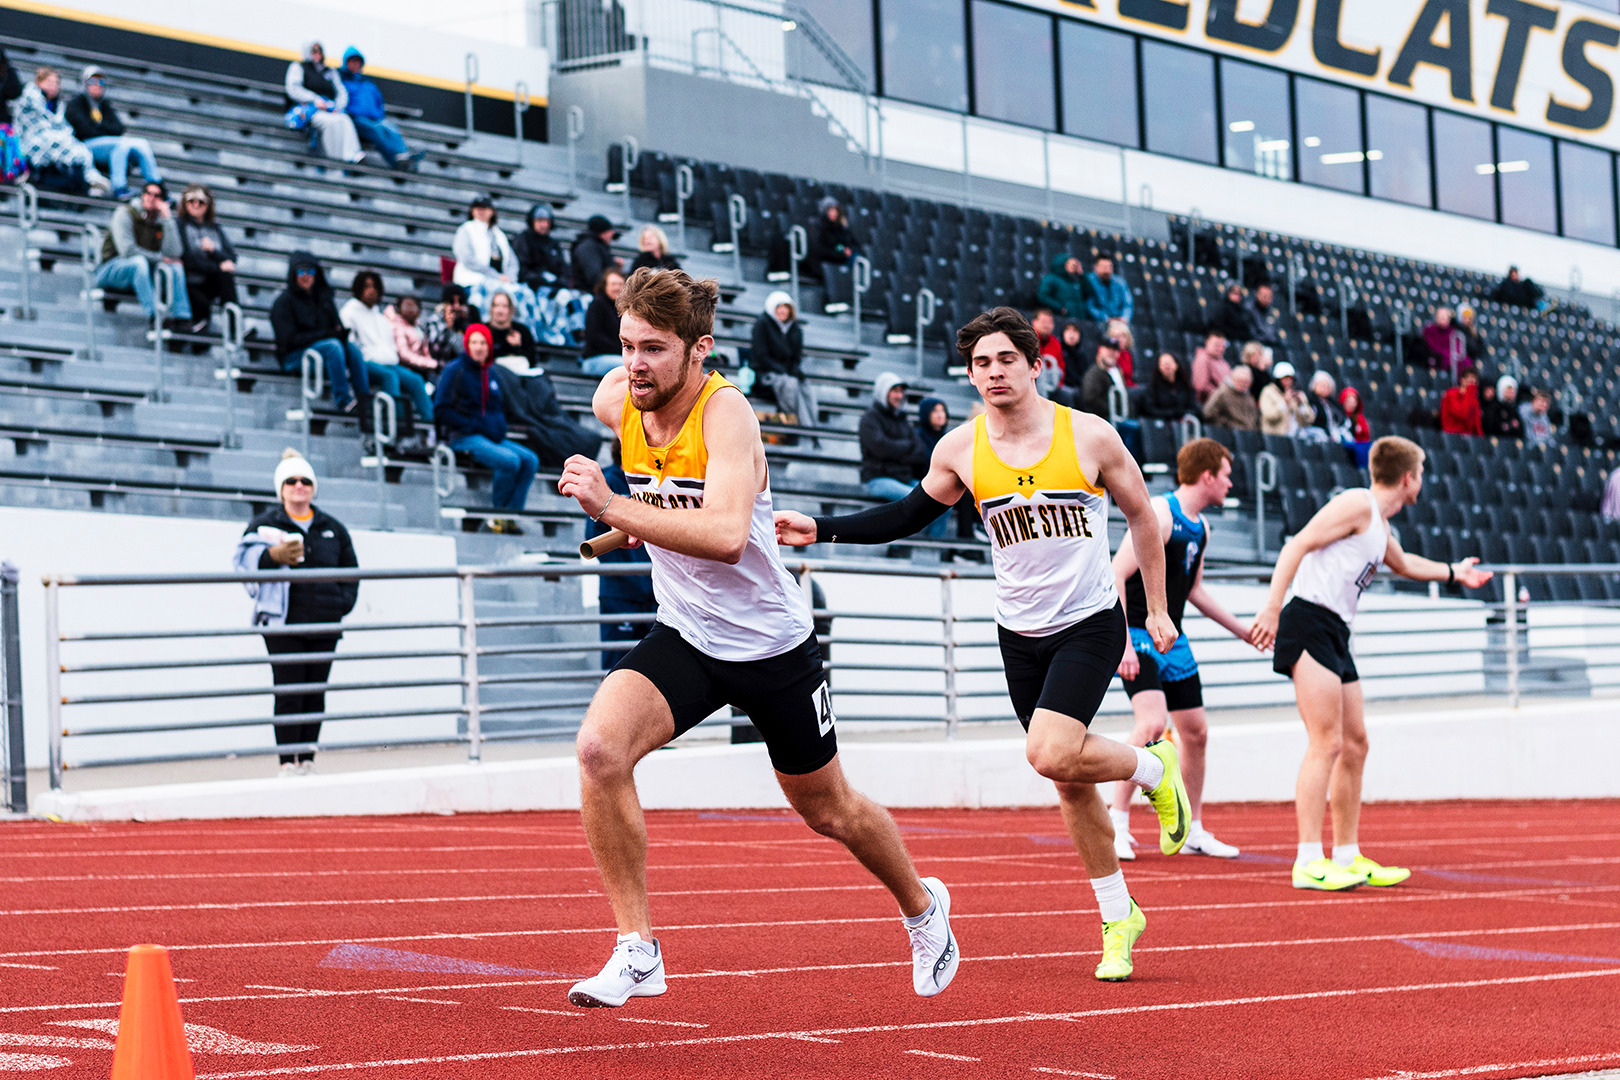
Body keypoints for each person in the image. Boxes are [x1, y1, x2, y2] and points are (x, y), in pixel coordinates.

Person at [555, 267, 959, 1009]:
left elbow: (727, 536)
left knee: (828, 810)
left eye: (653, 349)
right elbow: (657, 502)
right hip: (687, 636)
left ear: (698, 350)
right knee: (597, 750)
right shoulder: (618, 403)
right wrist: (608, 532)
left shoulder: (727, 415)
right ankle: (637, 950)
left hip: (771, 646)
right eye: (626, 346)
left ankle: (924, 907)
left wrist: (612, 503)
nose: (634, 365)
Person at [777, 305, 1192, 983]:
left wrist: (1155, 608)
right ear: (969, 375)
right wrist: (821, 527)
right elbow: (908, 515)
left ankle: (1153, 770)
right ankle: (1120, 917)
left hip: (1088, 622)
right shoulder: (961, 449)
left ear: (1035, 365)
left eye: (1006, 359)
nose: (994, 372)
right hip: (1018, 633)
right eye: (980, 363)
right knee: (1064, 778)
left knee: (1050, 753)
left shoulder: (1088, 436)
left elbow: (1146, 518)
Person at [1250, 436, 1492, 890]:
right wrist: (1271, 607)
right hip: (1308, 620)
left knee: (1355, 742)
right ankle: (1307, 859)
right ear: (1408, 477)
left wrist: (1454, 572)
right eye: (1421, 473)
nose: (1422, 481)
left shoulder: (1378, 525)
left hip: (1336, 631)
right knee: (1325, 742)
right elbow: (1296, 544)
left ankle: (1347, 854)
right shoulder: (1357, 504)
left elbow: (1404, 563)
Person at [1111, 439, 1256, 861]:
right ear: (1208, 475)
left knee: (1197, 732)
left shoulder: (1202, 528)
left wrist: (1241, 631)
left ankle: (1193, 829)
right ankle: (1117, 821)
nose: (1230, 483)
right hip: (1138, 632)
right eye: (1226, 475)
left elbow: (1193, 591)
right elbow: (1116, 575)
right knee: (1151, 725)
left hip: (1174, 638)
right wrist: (1122, 644)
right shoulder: (1159, 514)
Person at [233, 449, 358, 776]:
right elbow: (243, 564)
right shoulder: (264, 525)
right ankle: (287, 762)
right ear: (281, 488)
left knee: (315, 695)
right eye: (291, 481)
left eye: (305, 480)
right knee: (289, 694)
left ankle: (308, 760)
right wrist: (271, 556)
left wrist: (340, 604)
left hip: (325, 624)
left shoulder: (334, 527)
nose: (299, 486)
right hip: (284, 625)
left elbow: (351, 571)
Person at [435, 323, 538, 532]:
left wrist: (497, 427)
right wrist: (471, 424)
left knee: (530, 460)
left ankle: (510, 517)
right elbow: (441, 409)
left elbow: (497, 408)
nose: (479, 347)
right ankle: (498, 516)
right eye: (474, 342)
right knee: (509, 461)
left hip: (491, 436)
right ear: (467, 345)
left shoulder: (491, 373)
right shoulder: (454, 370)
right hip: (463, 435)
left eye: (483, 343)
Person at [340, 270, 434, 447]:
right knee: (390, 377)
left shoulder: (381, 317)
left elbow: (390, 348)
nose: (371, 291)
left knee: (415, 380)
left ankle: (430, 428)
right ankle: (399, 429)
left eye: (374, 287)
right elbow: (351, 346)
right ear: (358, 289)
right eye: (367, 286)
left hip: (388, 363)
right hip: (365, 363)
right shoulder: (349, 312)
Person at [587, 439, 657, 670]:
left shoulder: (653, 484)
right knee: (617, 668)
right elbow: (594, 539)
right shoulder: (606, 484)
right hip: (621, 595)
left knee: (655, 670)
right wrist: (634, 579)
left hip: (655, 595)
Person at [270, 252, 368, 414]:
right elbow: (288, 341)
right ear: (294, 274)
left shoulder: (324, 300)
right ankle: (344, 401)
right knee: (333, 346)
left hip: (324, 352)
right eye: (301, 272)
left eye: (311, 272)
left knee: (353, 349)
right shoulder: (283, 303)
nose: (306, 276)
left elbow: (335, 328)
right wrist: (325, 335)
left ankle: (364, 400)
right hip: (295, 357)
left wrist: (338, 333)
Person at [859, 373, 947, 541]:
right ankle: (899, 547)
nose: (899, 396)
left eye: (901, 392)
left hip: (903, 477)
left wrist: (894, 450)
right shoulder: (870, 418)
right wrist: (905, 448)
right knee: (916, 500)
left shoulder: (903, 420)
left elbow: (920, 451)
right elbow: (880, 448)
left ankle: (930, 545)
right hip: (878, 478)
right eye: (894, 391)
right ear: (883, 392)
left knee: (943, 500)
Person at [96, 180, 194, 326]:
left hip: (143, 272)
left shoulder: (160, 221)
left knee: (175, 268)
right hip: (110, 269)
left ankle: (182, 319)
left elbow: (174, 254)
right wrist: (160, 259)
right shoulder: (125, 213)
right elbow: (127, 251)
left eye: (156, 195)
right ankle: (155, 316)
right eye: (147, 193)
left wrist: (167, 219)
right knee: (138, 263)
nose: (151, 197)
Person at [64, 66, 161, 198]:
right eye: (92, 81)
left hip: (107, 145)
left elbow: (119, 128)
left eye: (101, 82)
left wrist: (99, 127)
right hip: (84, 147)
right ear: (84, 83)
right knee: (121, 145)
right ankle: (119, 187)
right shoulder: (76, 104)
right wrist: (103, 128)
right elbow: (85, 130)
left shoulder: (105, 105)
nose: (97, 85)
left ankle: (157, 186)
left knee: (141, 143)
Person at [15, 67, 110, 194]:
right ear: (39, 82)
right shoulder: (30, 96)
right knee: (61, 144)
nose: (53, 86)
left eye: (56, 83)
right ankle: (87, 181)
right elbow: (38, 124)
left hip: (53, 138)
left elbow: (62, 126)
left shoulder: (57, 104)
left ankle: (89, 181)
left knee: (80, 148)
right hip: (32, 139)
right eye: (49, 82)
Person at [454, 196, 540, 331]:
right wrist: (495, 275)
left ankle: (524, 332)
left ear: (492, 211)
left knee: (524, 293)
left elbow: (512, 261)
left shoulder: (499, 234)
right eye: (477, 208)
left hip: (501, 281)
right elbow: (467, 258)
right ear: (472, 211)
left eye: (485, 208)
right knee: (493, 293)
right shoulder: (466, 229)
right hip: (475, 280)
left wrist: (510, 277)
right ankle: (487, 332)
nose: (481, 211)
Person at [339, 47, 421, 169]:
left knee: (391, 128)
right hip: (356, 119)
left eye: (358, 61)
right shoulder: (341, 81)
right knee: (377, 131)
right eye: (352, 61)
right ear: (346, 63)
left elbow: (378, 101)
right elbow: (341, 100)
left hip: (374, 118)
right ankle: (396, 161)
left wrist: (378, 114)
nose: (355, 64)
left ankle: (403, 155)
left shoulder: (368, 83)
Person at [284, 42, 364, 164]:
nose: (317, 54)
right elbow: (293, 89)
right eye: (314, 51)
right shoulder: (298, 67)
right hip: (310, 110)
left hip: (329, 109)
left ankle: (353, 154)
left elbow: (342, 92)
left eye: (319, 51)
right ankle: (334, 159)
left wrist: (337, 106)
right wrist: (314, 100)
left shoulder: (330, 72)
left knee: (344, 119)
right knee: (330, 122)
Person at [751, 290, 818, 428]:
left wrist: (793, 370)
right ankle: (803, 426)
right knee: (790, 385)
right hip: (765, 373)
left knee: (805, 388)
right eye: (779, 307)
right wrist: (782, 370)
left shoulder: (796, 330)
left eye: (786, 307)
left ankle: (812, 425)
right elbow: (761, 355)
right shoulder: (762, 325)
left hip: (787, 374)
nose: (782, 311)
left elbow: (796, 357)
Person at [175, 184, 237, 331]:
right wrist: (217, 266)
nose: (196, 205)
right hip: (188, 282)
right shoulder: (179, 225)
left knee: (226, 276)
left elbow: (232, 257)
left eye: (201, 202)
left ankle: (235, 323)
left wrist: (213, 251)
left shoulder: (215, 228)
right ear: (185, 203)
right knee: (202, 307)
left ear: (208, 205)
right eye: (191, 201)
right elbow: (185, 258)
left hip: (209, 281)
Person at [581, 269, 627, 375]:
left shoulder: (624, 308)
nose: (617, 288)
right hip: (594, 359)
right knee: (629, 368)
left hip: (616, 356)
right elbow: (593, 336)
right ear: (605, 286)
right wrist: (621, 349)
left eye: (620, 284)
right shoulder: (597, 304)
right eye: (613, 284)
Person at [386, 295, 439, 378]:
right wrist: (431, 364)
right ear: (399, 308)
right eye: (407, 306)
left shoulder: (417, 327)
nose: (410, 310)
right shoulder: (398, 327)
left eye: (413, 306)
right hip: (408, 369)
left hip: (423, 367)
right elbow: (404, 354)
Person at [420, 284, 477, 363]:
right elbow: (436, 351)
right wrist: (448, 328)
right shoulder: (434, 321)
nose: (457, 306)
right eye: (452, 302)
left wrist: (468, 320)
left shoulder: (467, 320)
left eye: (460, 302)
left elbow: (469, 352)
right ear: (445, 304)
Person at [486, 290, 538, 371]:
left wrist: (518, 347)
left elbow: (533, 361)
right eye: (496, 306)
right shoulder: (483, 331)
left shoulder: (522, 331)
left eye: (504, 306)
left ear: (511, 309)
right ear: (491, 309)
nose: (500, 310)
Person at [1138, 352, 1196, 422]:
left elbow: (1193, 406)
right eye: (1163, 364)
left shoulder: (1185, 386)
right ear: (1159, 367)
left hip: (1183, 422)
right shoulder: (1153, 387)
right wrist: (1172, 413)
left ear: (1176, 365)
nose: (1166, 366)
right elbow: (1150, 410)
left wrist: (1185, 414)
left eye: (1169, 363)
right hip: (1162, 422)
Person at [1259, 361, 1313, 436]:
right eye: (1285, 378)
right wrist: (1284, 402)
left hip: (1296, 435)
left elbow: (1309, 420)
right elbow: (1269, 416)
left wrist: (1302, 404)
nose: (1288, 382)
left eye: (1290, 379)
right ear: (1278, 380)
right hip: (1276, 436)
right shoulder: (1268, 392)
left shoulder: (1293, 394)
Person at [572, 214, 622, 293]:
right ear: (602, 232)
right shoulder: (588, 248)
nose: (612, 234)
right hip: (589, 294)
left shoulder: (598, 247)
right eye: (609, 231)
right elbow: (594, 276)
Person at [1080, 339, 1128, 419]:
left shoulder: (1118, 372)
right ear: (1100, 350)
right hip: (1102, 420)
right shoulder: (1094, 373)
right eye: (1108, 349)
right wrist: (1113, 410)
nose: (1112, 353)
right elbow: (1090, 399)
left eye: (1115, 350)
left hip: (1120, 418)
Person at [808, 195, 858, 272]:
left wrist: (845, 228)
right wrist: (841, 254)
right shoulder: (817, 225)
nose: (834, 213)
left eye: (836, 210)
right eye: (831, 210)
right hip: (826, 262)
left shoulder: (839, 226)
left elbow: (852, 243)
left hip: (839, 260)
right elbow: (819, 250)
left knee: (857, 258)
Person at [1202, 365, 1260, 431]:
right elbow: (1209, 413)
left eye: (1246, 382)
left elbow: (1254, 417)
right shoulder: (1222, 393)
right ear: (1233, 379)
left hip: (1247, 435)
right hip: (1228, 433)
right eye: (1240, 381)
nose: (1244, 384)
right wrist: (1228, 425)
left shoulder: (1248, 397)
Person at [1031, 307, 1067, 400]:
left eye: (1049, 322)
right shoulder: (1028, 339)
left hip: (1052, 385)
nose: (1046, 326)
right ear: (1034, 322)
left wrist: (1057, 384)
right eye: (1043, 322)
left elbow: (1061, 366)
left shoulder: (1055, 343)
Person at [1038, 255, 1089, 320]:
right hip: (1061, 317)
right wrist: (1060, 308)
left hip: (1080, 319)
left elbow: (1089, 293)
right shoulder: (1050, 278)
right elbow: (1043, 296)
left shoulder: (1075, 280)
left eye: (1075, 265)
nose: (1073, 267)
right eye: (1068, 264)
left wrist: (1082, 274)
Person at [1085, 256, 1133, 324]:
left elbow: (1127, 304)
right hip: (1098, 322)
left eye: (1109, 267)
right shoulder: (1089, 281)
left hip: (1119, 322)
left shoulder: (1120, 282)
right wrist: (1105, 318)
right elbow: (1089, 306)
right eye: (1103, 267)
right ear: (1095, 268)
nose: (1106, 270)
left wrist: (1124, 318)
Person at [1308, 371, 1351, 442]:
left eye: (1327, 386)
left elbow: (1343, 420)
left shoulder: (1334, 404)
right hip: (1318, 433)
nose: (1324, 388)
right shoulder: (1311, 402)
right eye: (1322, 385)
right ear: (1314, 387)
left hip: (1335, 433)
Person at [1439, 367, 1483, 437]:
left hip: (1469, 437)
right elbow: (1462, 414)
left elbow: (1477, 423)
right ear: (1462, 380)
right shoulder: (1451, 394)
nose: (1472, 385)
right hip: (1453, 436)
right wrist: (1470, 390)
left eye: (1474, 382)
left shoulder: (1474, 400)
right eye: (1470, 381)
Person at [1422, 307, 1466, 374]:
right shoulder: (1430, 330)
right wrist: (1447, 353)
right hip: (1439, 358)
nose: (1444, 319)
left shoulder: (1453, 332)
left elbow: (1458, 348)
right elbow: (1431, 346)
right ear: (1436, 318)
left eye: (1446, 317)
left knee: (1466, 361)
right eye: (1441, 317)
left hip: (1453, 357)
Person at [1190, 332, 1230, 404]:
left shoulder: (1222, 361)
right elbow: (1201, 386)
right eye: (1217, 346)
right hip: (1212, 404)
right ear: (1207, 343)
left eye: (1223, 346)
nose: (1221, 349)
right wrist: (1224, 396)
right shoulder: (1202, 359)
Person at [1243, 282, 1282, 349]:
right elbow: (1251, 334)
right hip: (1254, 346)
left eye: (1269, 297)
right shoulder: (1248, 311)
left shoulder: (1272, 312)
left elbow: (1276, 333)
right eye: (1264, 296)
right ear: (1257, 294)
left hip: (1271, 346)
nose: (1266, 299)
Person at [1484, 375, 1523, 439]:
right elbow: (1491, 428)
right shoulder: (1494, 407)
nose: (1511, 393)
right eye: (1508, 390)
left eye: (1513, 391)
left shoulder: (1514, 410)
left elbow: (1520, 431)